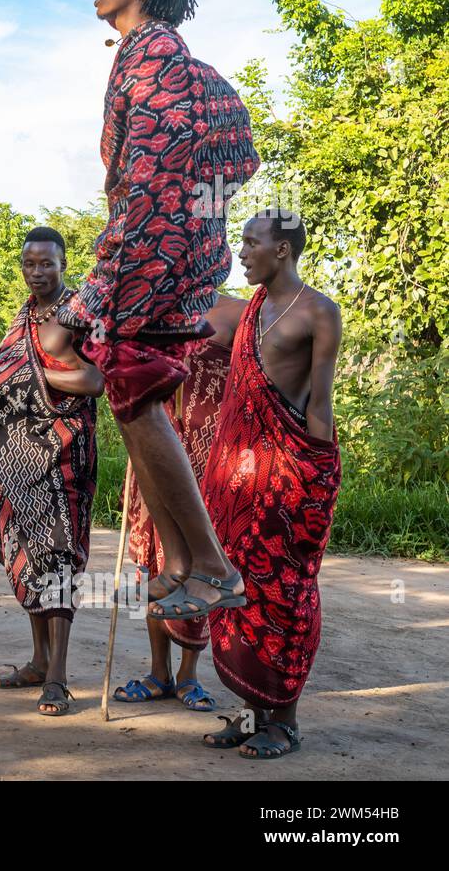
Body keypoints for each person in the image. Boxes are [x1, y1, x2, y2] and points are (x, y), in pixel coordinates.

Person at [58, 0, 261, 625]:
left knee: (132, 391)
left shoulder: (154, 62)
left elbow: (146, 183)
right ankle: (178, 564)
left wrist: (97, 287)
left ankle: (209, 563)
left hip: (153, 255)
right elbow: (240, 160)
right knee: (134, 391)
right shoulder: (162, 61)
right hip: (179, 252)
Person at [202, 210, 341, 759]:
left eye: (251, 242)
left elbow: (321, 405)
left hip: (291, 478)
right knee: (235, 590)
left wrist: (318, 481)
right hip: (234, 482)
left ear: (282, 249)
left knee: (284, 591)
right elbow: (189, 329)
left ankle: (284, 719)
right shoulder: (250, 311)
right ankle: (246, 710)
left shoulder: (318, 312)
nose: (242, 252)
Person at [0, 227, 103, 714]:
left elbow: (95, 378)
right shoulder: (22, 318)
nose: (38, 272)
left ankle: (60, 678)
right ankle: (39, 660)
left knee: (59, 558)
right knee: (26, 552)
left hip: (63, 455)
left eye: (47, 263)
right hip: (16, 461)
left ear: (63, 264)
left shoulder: (80, 315)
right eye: (30, 264)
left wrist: (33, 375)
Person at [113, 292, 245, 711]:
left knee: (199, 563)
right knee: (153, 561)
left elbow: (254, 386)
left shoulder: (240, 313)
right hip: (155, 453)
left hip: (209, 455)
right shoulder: (152, 307)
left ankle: (189, 675)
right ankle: (158, 673)